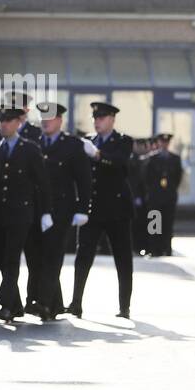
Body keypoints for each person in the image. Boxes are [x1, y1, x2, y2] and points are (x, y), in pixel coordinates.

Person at [0, 104, 52, 323]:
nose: (3, 125)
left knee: (11, 259)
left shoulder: (29, 148)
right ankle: (14, 304)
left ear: (18, 123)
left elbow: (42, 184)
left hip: (21, 213)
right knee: (1, 259)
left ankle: (6, 304)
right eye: (1, 121)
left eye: (8, 121)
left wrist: (45, 212)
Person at [69, 102, 134, 318]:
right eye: (95, 118)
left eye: (102, 118)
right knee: (83, 255)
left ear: (112, 120)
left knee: (123, 259)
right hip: (93, 208)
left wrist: (97, 155)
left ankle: (124, 306)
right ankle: (76, 302)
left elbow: (119, 162)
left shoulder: (123, 141)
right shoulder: (89, 140)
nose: (97, 121)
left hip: (117, 210)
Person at [31, 102, 91, 321]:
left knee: (53, 256)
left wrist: (83, 208)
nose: (45, 122)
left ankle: (44, 302)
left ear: (60, 121)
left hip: (62, 209)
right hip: (37, 209)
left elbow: (84, 180)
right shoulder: (34, 142)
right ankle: (55, 305)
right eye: (43, 117)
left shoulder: (72, 145)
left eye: (50, 118)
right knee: (38, 255)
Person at [141, 133, 182, 257]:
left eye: (166, 142)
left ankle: (166, 248)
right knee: (154, 223)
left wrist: (171, 189)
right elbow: (146, 178)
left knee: (167, 223)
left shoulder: (175, 158)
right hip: (155, 196)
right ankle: (154, 248)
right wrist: (151, 191)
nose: (164, 144)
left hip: (169, 196)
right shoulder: (152, 158)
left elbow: (178, 177)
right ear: (159, 143)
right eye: (162, 142)